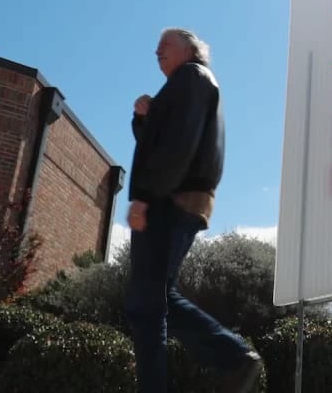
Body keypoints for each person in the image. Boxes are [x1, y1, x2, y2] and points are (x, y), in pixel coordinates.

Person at [125, 28, 263, 393]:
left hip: (169, 200)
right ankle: (233, 356)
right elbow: (169, 139)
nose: (157, 51)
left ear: (190, 49)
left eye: (165, 44)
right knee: (157, 297)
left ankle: (233, 357)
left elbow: (177, 145)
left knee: (146, 304)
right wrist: (146, 118)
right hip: (181, 198)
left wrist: (145, 196)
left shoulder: (191, 77)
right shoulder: (191, 84)